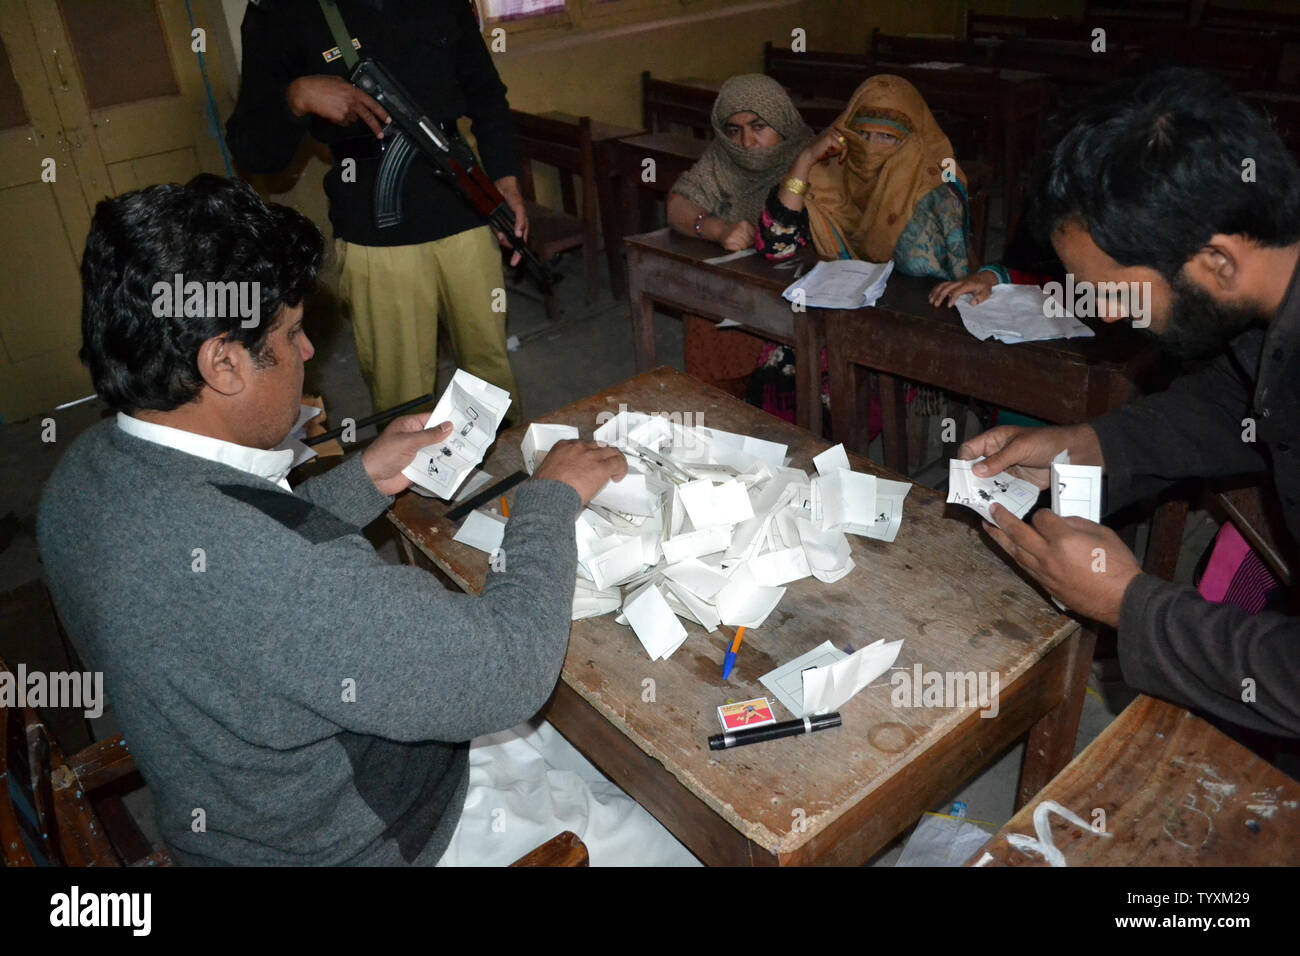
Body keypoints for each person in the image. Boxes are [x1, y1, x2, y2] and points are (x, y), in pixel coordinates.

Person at [37, 174, 697, 865]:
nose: (308, 352)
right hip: (378, 836)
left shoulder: (82, 478)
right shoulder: (268, 580)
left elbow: (241, 564)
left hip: (250, 806)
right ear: (224, 363)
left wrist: (364, 480)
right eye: (291, 334)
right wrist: (549, 498)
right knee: (676, 838)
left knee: (599, 752)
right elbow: (509, 670)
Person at [957, 68, 1300, 762]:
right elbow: (1241, 400)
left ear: (1219, 260)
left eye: (1115, 292)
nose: (1107, 315)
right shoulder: (1265, 295)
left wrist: (1130, 605)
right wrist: (1087, 444)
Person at [226, 0, 524, 424]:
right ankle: (405, 487)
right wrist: (295, 98)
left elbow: (487, 95)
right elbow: (255, 152)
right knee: (402, 393)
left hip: (464, 210)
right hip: (376, 234)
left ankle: (508, 474)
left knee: (491, 377)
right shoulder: (282, 13)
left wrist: (506, 177)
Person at [665, 74, 816, 401]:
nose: (746, 143)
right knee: (704, 312)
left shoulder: (811, 157)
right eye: (735, 130)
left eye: (759, 127)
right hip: (742, 279)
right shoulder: (722, 157)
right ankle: (725, 410)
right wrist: (717, 228)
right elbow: (678, 203)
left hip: (798, 286)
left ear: (782, 121)